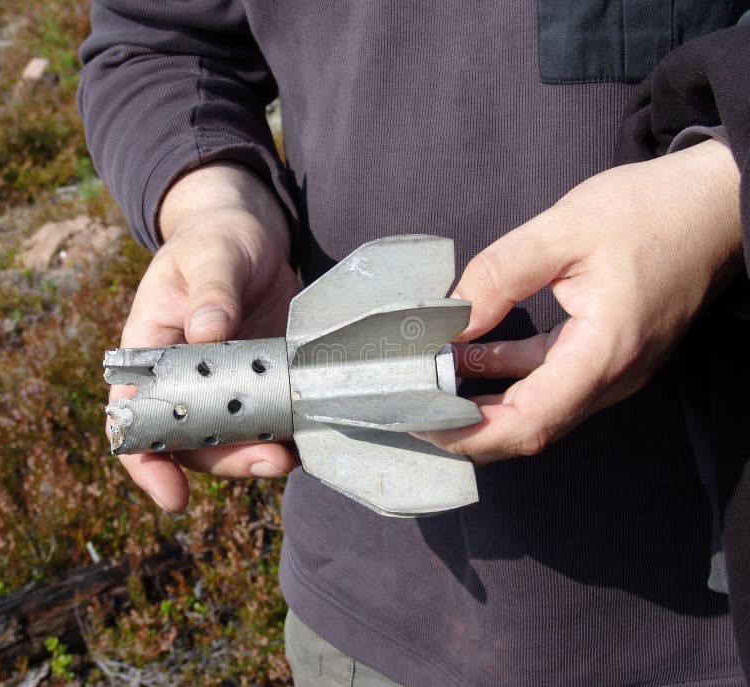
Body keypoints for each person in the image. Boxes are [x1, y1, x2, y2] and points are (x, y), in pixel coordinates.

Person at [78, 2, 750, 684]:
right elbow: (156, 42)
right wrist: (213, 204)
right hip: (369, 623)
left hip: (720, 623)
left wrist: (722, 192)